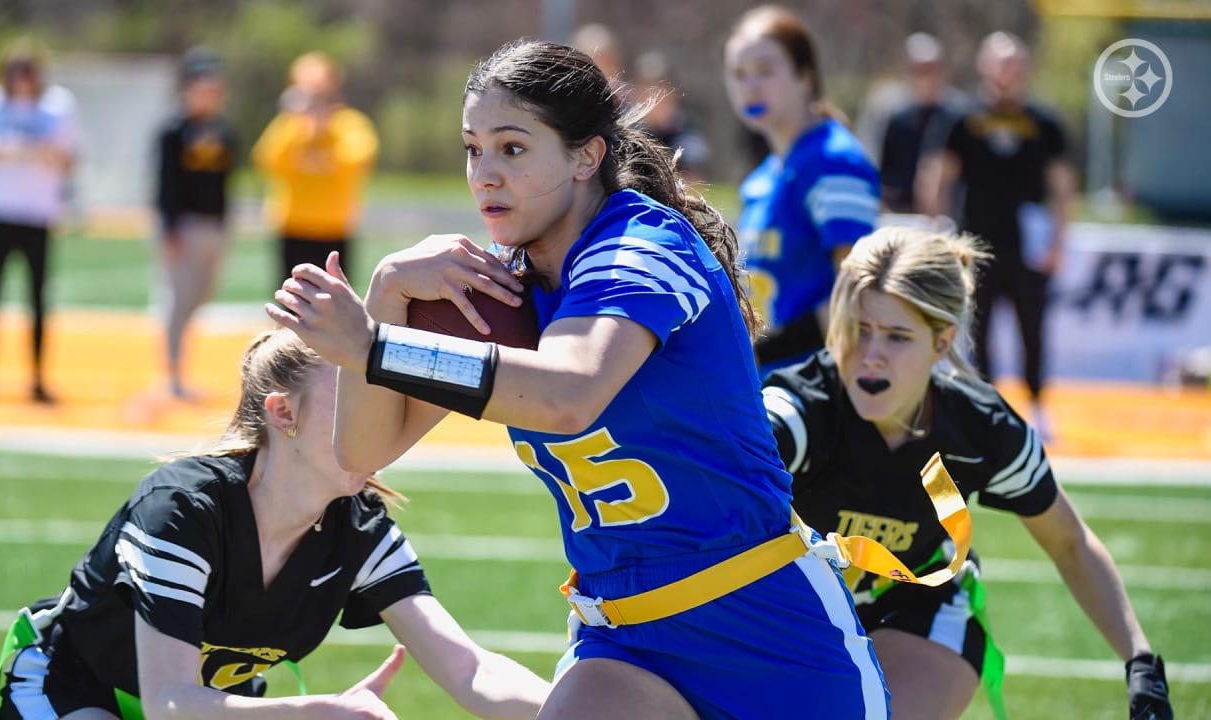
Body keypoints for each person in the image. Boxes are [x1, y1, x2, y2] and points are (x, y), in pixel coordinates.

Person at [269, 38, 890, 720]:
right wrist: (387, 292)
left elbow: (568, 395)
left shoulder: (643, 245)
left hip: (761, 623)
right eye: (473, 149)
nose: (484, 174)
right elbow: (361, 452)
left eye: (512, 148)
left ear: (587, 156)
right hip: (622, 635)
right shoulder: (503, 277)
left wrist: (377, 346)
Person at [0, 328, 551, 719]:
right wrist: (314, 712)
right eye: (353, 400)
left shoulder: (360, 529)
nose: (375, 422)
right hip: (72, 684)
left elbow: (471, 671)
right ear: (283, 413)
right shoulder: (184, 510)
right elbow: (170, 703)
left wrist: (579, 708)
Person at [760, 226, 1173, 720]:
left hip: (912, 605)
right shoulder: (797, 412)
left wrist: (1140, 660)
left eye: (897, 336)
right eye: (859, 328)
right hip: (787, 609)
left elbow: (1069, 542)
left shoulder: (981, 431)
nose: (870, 354)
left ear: (942, 343)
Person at [919, 32, 1075, 439]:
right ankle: (986, 409)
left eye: (1015, 63)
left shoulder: (1043, 122)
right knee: (979, 332)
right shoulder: (963, 118)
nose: (1008, 72)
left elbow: (1062, 186)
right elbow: (939, 176)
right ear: (984, 67)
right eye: (1001, 63)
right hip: (976, 246)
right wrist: (939, 230)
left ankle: (1038, 406)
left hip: (1029, 248)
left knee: (1032, 330)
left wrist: (1059, 241)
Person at [723, 6, 881, 375]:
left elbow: (857, 293)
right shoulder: (763, 177)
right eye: (739, 74)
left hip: (816, 384)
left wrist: (763, 352)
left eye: (765, 70)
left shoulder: (832, 161)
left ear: (805, 76)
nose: (750, 86)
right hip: (769, 383)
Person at [0, 37, 80, 404]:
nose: (22, 78)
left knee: (37, 299)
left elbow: (71, 159)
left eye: (28, 70)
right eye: (15, 70)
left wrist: (43, 152)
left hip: (38, 214)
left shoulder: (56, 107)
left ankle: (37, 379)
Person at [153, 46, 237, 400]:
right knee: (179, 299)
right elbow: (165, 183)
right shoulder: (174, 130)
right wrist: (168, 227)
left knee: (202, 295)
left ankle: (178, 370)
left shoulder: (222, 130)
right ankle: (173, 374)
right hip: (184, 224)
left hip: (213, 224)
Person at [253, 51, 378, 284]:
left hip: (334, 225)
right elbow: (266, 159)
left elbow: (358, 160)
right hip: (293, 224)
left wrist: (322, 132)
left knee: (335, 296)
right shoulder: (289, 125)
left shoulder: (349, 124)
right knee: (292, 296)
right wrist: (300, 129)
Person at [878, 33, 964, 215]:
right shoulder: (897, 120)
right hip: (904, 216)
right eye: (917, 69)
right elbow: (887, 176)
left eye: (930, 69)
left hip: (947, 217)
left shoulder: (957, 117)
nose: (925, 76)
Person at [633, 50, 711, 183]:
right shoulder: (632, 130)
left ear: (672, 92)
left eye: (659, 89)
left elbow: (692, 180)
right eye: (648, 90)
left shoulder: (686, 131)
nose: (653, 98)